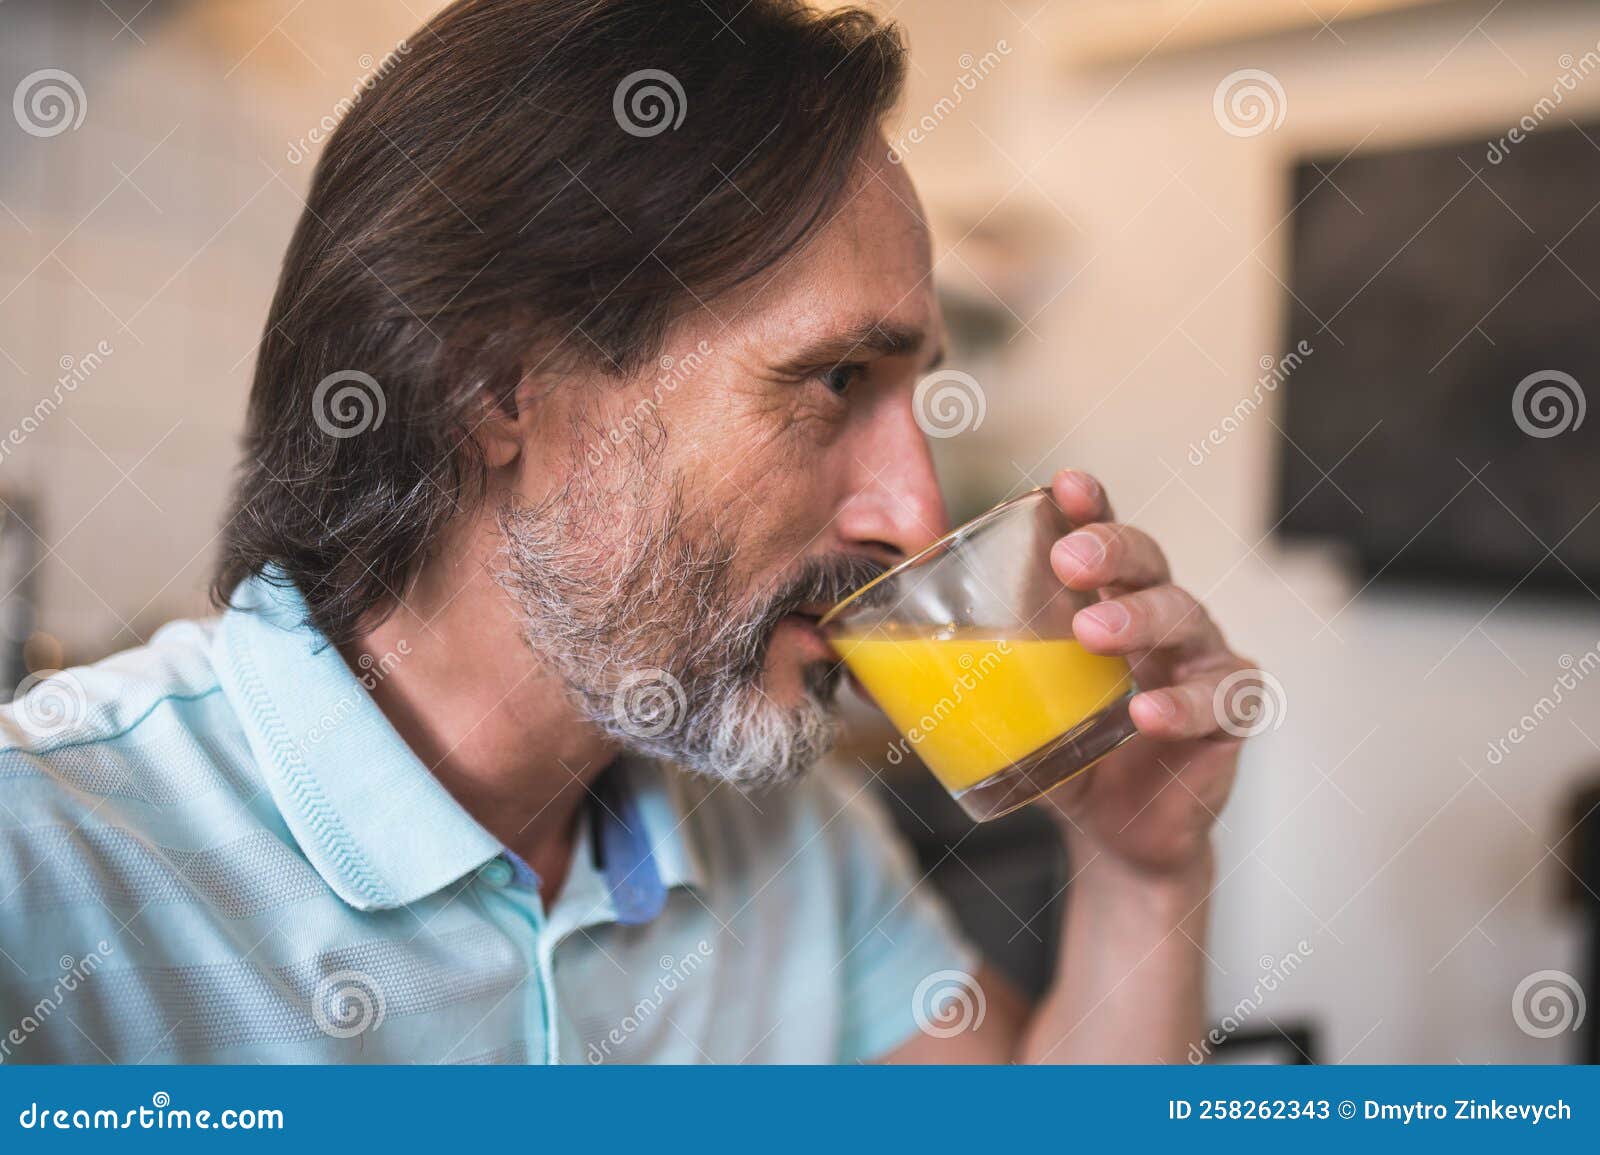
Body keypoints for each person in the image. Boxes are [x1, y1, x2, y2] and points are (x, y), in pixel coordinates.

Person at [0, 0, 1252, 1064]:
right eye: (834, 382)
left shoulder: (784, 838)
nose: (915, 514)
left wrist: (1142, 876)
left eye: (914, 393)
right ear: (497, 388)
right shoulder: (45, 869)